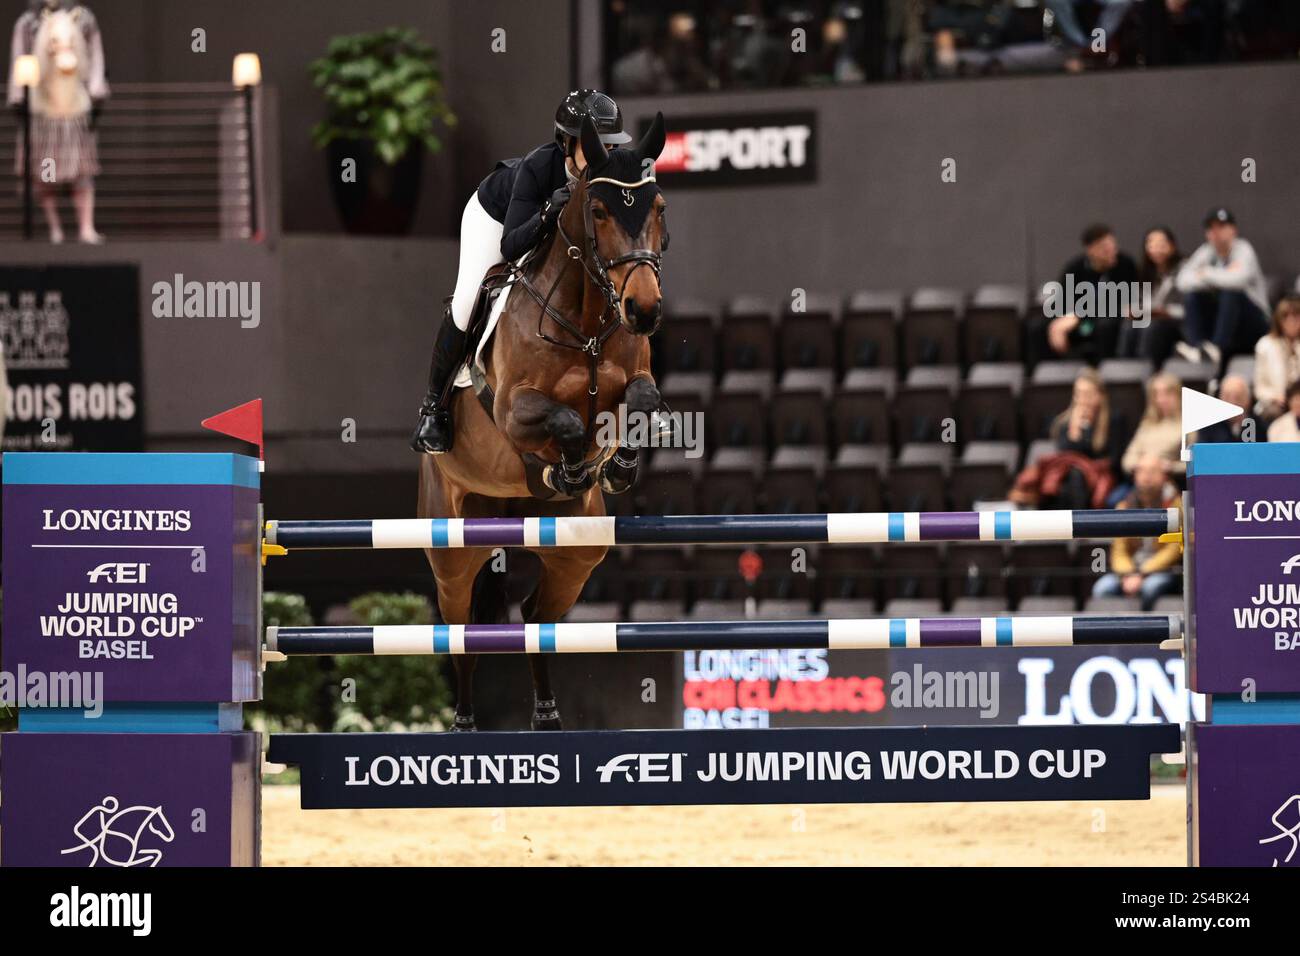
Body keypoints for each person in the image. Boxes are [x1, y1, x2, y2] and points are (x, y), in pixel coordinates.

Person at [409, 90, 634, 455]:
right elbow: (512, 244)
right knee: (469, 299)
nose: (602, 156)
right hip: (497, 219)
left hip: (550, 231)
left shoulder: (613, 171)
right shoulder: (537, 168)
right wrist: (548, 212)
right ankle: (433, 408)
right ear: (567, 143)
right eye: (593, 147)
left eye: (609, 147)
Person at [1175, 207, 1270, 373]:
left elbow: (1237, 280)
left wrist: (1205, 273)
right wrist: (1220, 276)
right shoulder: (1206, 252)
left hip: (1255, 322)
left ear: (1233, 229)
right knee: (1193, 296)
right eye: (1212, 228)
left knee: (1230, 293)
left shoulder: (1243, 249)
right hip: (1223, 323)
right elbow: (1182, 281)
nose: (1216, 232)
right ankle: (1198, 347)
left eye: (1222, 227)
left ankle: (1217, 348)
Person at [1009, 368, 1118, 509]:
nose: (1082, 399)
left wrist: (1085, 430)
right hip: (1070, 475)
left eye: (1088, 394)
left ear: (1100, 396)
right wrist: (1074, 427)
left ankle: (1075, 523)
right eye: (1078, 394)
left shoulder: (1114, 421)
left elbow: (1110, 458)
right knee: (1062, 479)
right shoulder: (1064, 423)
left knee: (1075, 475)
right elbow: (1066, 453)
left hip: (1099, 475)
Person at [1036, 223, 1139, 365]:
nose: (1112, 252)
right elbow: (1060, 301)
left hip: (1108, 320)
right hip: (1083, 323)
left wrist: (1078, 316)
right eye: (1105, 249)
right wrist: (1056, 325)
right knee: (1038, 328)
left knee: (1105, 325)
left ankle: (1105, 373)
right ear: (1091, 250)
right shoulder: (1075, 267)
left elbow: (1118, 303)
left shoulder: (1125, 266)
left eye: (1113, 247)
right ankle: (1044, 377)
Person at [1091, 454, 1182, 611]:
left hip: (1163, 570)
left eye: (1153, 471)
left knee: (1150, 588)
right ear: (1134, 475)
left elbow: (1173, 550)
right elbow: (1119, 549)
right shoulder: (1124, 506)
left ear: (1164, 476)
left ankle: (1148, 632)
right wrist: (1129, 574)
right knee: (1102, 588)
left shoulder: (1176, 505)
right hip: (1129, 571)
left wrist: (1142, 573)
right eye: (1141, 471)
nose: (1146, 476)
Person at [1117, 226, 1184, 363]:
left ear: (1172, 246)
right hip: (1152, 318)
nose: (1157, 249)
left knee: (1150, 328)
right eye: (1151, 245)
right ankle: (1125, 371)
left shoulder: (1184, 270)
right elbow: (1146, 305)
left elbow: (1188, 308)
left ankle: (1147, 370)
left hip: (1177, 322)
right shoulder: (1146, 274)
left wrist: (1166, 311)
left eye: (1161, 244)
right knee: (1128, 327)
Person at [1120, 372, 1184, 478]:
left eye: (1167, 393)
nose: (1161, 399)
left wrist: (1172, 467)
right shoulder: (1147, 424)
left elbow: (1195, 464)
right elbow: (1128, 459)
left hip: (1169, 478)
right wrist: (1142, 466)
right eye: (1156, 394)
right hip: (1141, 477)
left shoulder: (1187, 426)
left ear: (1178, 395)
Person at [1253, 295, 1300, 422]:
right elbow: (1260, 387)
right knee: (1273, 412)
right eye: (1286, 316)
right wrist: (1275, 396)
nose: (1291, 321)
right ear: (1279, 320)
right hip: (1276, 401)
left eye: (1296, 316)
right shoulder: (1265, 345)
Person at [1194, 375, 1261, 443]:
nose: (1232, 402)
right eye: (1227, 397)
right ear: (1220, 398)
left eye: (1238, 397)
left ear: (1248, 400)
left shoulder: (1258, 426)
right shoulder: (1208, 426)